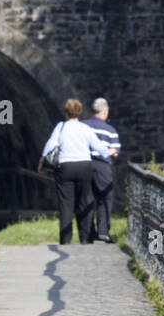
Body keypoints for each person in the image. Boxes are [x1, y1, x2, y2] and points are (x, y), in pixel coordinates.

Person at [38, 98, 110, 245]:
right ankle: (86, 238)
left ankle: (65, 240)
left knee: (66, 204)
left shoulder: (61, 127)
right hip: (84, 166)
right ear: (79, 112)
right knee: (84, 201)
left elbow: (51, 144)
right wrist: (109, 151)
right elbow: (100, 148)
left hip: (65, 167)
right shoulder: (85, 128)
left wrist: (41, 161)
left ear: (66, 113)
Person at [82, 97, 121, 243]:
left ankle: (88, 232)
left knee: (87, 198)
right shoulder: (110, 130)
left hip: (85, 164)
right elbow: (115, 152)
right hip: (102, 166)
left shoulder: (83, 125)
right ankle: (103, 231)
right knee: (105, 197)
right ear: (105, 112)